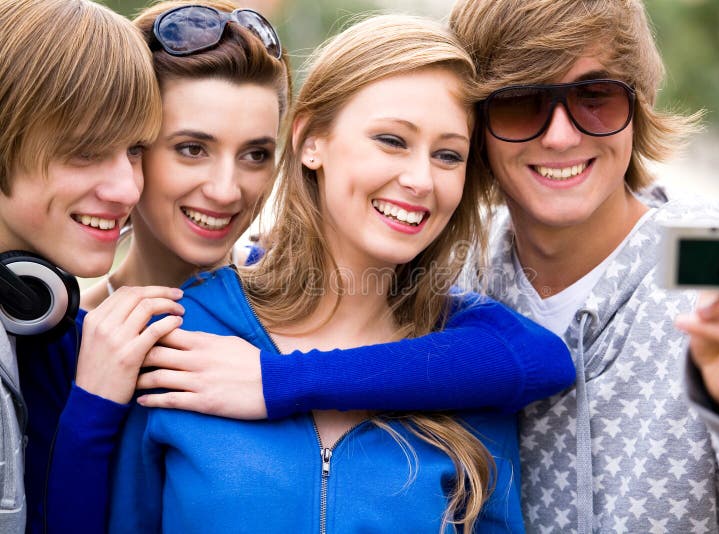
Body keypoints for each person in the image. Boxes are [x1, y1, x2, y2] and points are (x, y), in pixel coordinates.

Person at [107, 12, 559, 533]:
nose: (420, 179)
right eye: (391, 140)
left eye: (448, 155)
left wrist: (279, 382)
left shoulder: (468, 367)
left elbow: (546, 360)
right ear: (310, 141)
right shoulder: (180, 335)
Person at [445, 0, 719, 531]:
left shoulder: (710, 260)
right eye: (520, 102)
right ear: (476, 125)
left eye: (596, 98)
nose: (560, 136)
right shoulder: (449, 275)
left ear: (638, 106)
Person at [0, 1, 174, 533]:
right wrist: (93, 409)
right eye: (84, 151)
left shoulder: (46, 329)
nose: (127, 189)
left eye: (135, 149)